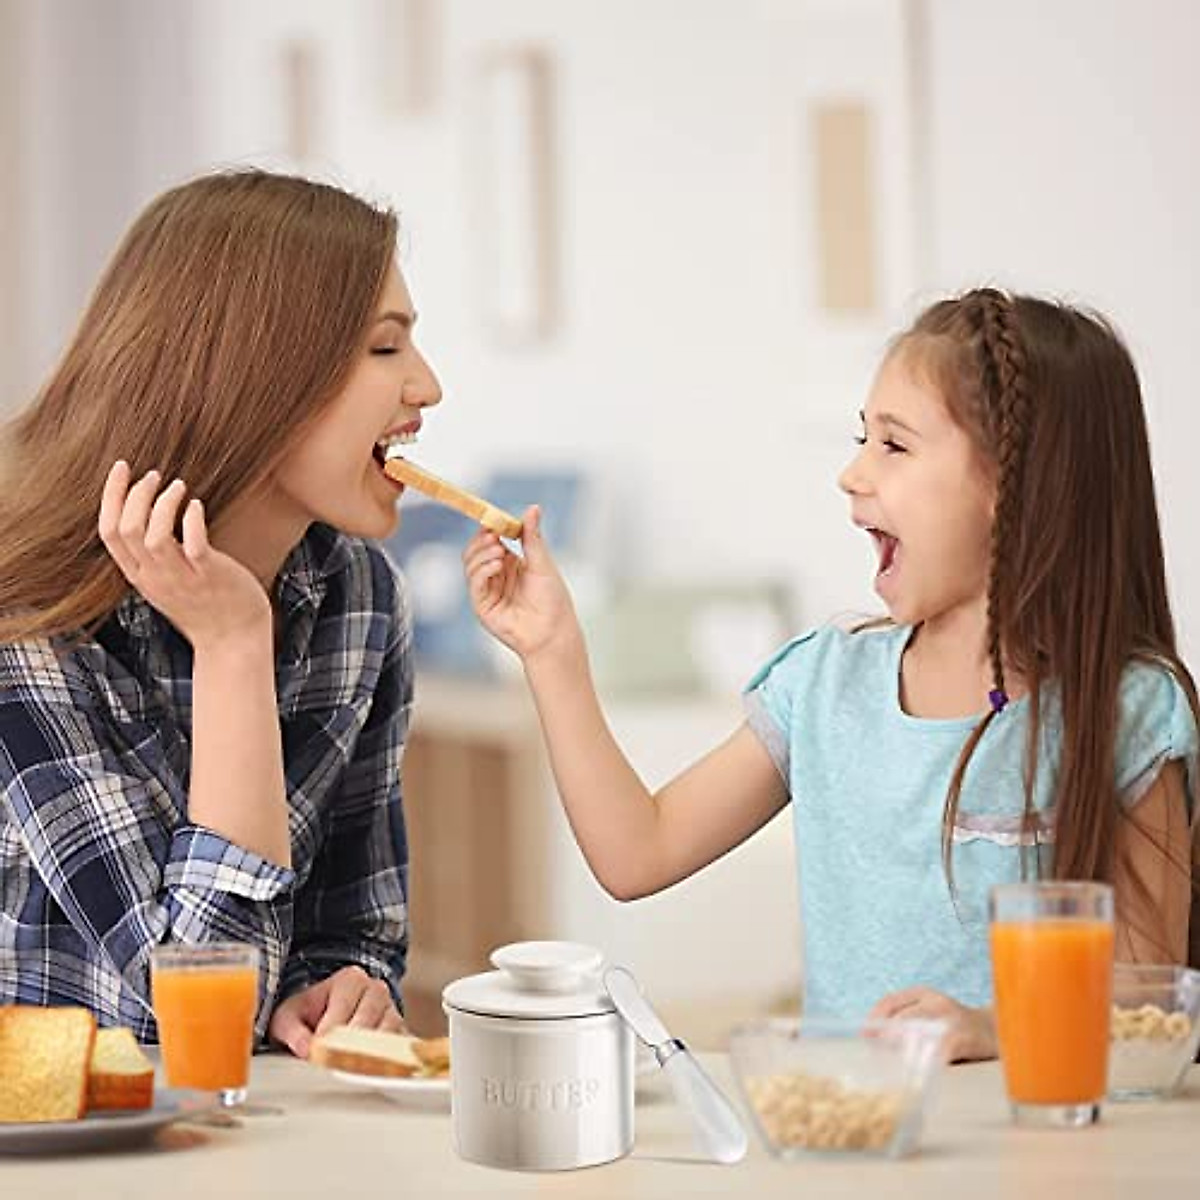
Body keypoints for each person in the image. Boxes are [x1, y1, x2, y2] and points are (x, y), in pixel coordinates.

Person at [464, 288, 1200, 1062]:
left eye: (895, 445)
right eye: (862, 438)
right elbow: (636, 852)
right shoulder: (825, 685)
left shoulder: (1128, 712)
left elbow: (1150, 1002)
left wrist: (990, 1029)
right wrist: (552, 652)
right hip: (851, 1128)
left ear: (1016, 486)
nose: (851, 474)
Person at [0, 169, 442, 1057]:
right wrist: (235, 647)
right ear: (259, 374)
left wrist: (342, 988)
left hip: (260, 1120)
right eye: (385, 348)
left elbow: (356, 930)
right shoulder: (29, 618)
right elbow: (192, 1015)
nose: (426, 387)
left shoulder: (360, 596)